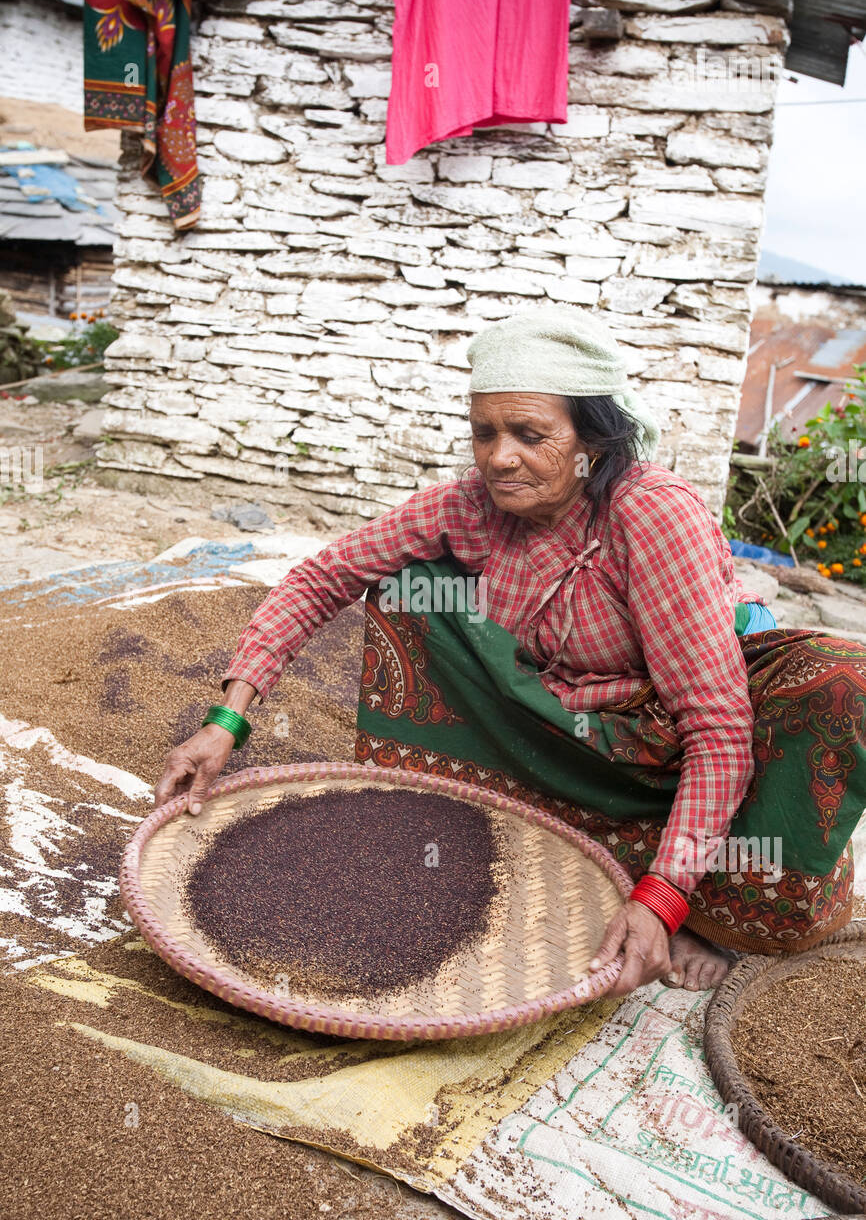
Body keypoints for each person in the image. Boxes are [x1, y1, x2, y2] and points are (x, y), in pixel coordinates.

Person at [155, 309, 866, 999]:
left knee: (839, 683)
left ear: (591, 439)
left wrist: (662, 900)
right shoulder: (469, 506)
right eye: (484, 433)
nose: (500, 457)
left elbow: (716, 728)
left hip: (690, 728)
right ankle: (479, 811)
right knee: (409, 593)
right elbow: (324, 575)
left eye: (531, 434)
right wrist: (230, 718)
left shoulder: (650, 513)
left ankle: (710, 907)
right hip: (573, 716)